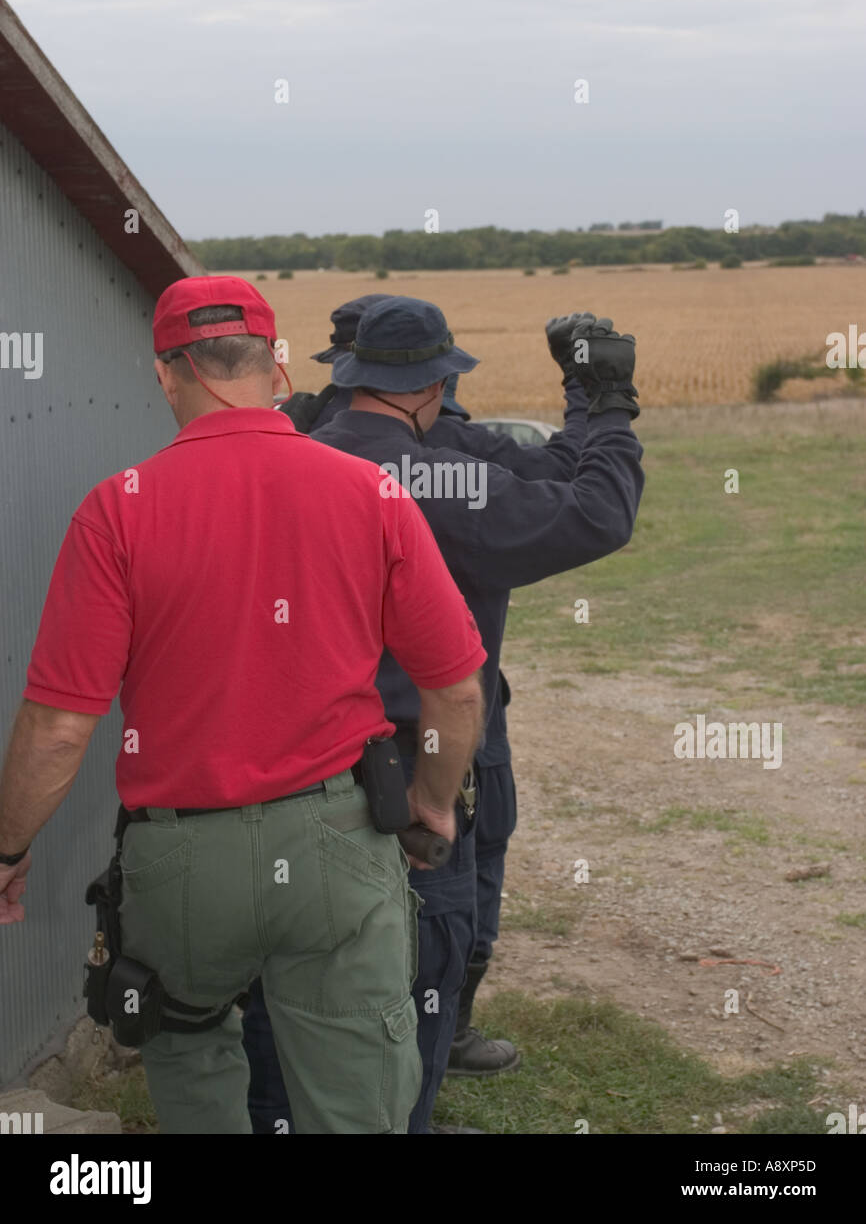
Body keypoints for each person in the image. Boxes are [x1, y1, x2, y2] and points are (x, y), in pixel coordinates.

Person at [0, 275, 486, 1136]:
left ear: (166, 374)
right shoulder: (370, 494)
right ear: (277, 368)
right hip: (340, 847)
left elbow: (57, 727)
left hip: (181, 862)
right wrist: (433, 804)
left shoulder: (117, 511)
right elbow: (452, 687)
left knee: (194, 1076)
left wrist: (7, 848)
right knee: (357, 1102)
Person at [247, 294, 644, 1134]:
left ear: (347, 371)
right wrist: (603, 402)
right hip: (417, 772)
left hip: (297, 772)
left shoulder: (296, 456)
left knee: (296, 991)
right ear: (435, 384)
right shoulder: (443, 477)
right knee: (418, 983)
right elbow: (595, 510)